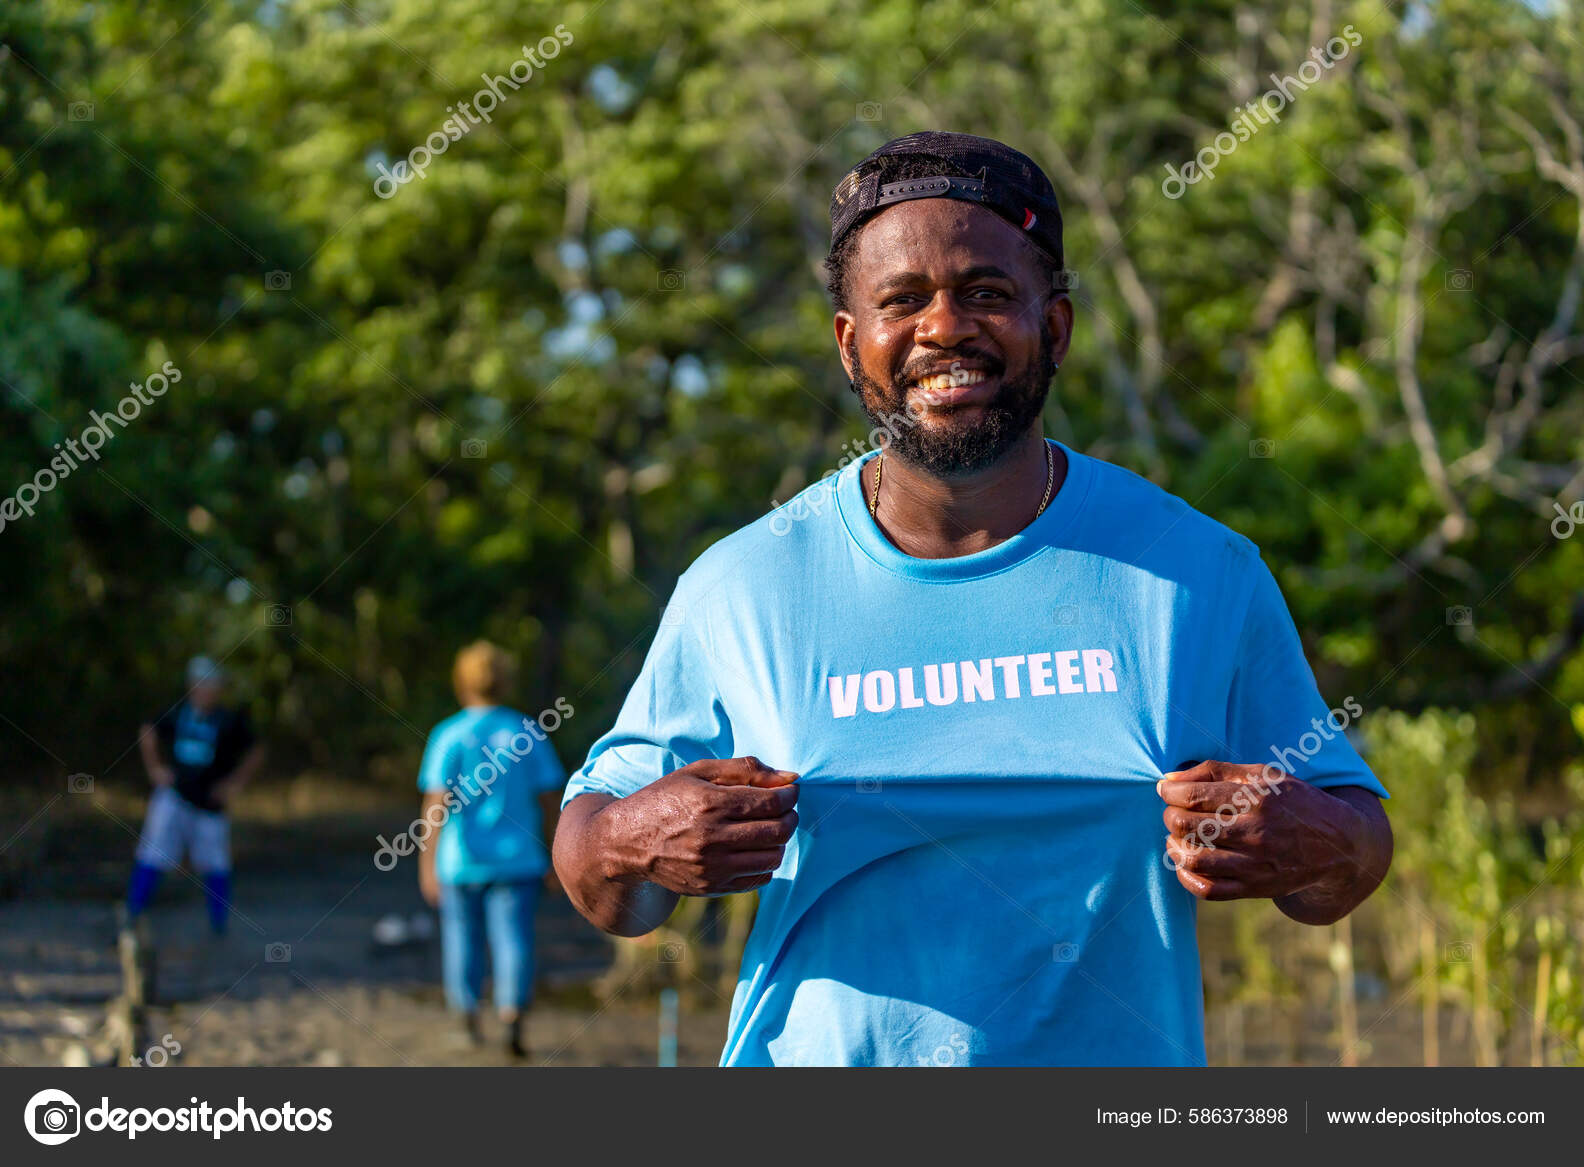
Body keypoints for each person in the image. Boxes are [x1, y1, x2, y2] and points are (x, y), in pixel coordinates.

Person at [553, 131, 1394, 1067]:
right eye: (902, 299)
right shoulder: (745, 584)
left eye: (987, 294)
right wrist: (633, 841)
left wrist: (1311, 843)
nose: (944, 327)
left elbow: (1349, 853)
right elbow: (600, 875)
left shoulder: (1197, 571)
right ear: (849, 344)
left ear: (1058, 327)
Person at [416, 640, 565, 1059]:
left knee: (461, 938)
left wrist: (427, 863)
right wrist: (556, 853)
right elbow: (551, 798)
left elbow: (435, 806)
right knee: (513, 937)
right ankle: (512, 1014)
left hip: (460, 861)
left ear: (461, 683)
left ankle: (465, 1018)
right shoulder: (526, 732)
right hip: (519, 859)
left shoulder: (448, 734)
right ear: (505, 681)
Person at [126, 656, 263, 935]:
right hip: (174, 798)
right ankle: (132, 915)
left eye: (212, 686)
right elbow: (148, 730)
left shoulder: (228, 720)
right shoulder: (177, 713)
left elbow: (257, 750)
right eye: (201, 685)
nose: (206, 692)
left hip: (210, 805)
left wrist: (235, 783)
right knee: (152, 853)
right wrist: (155, 769)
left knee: (215, 863)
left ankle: (219, 927)